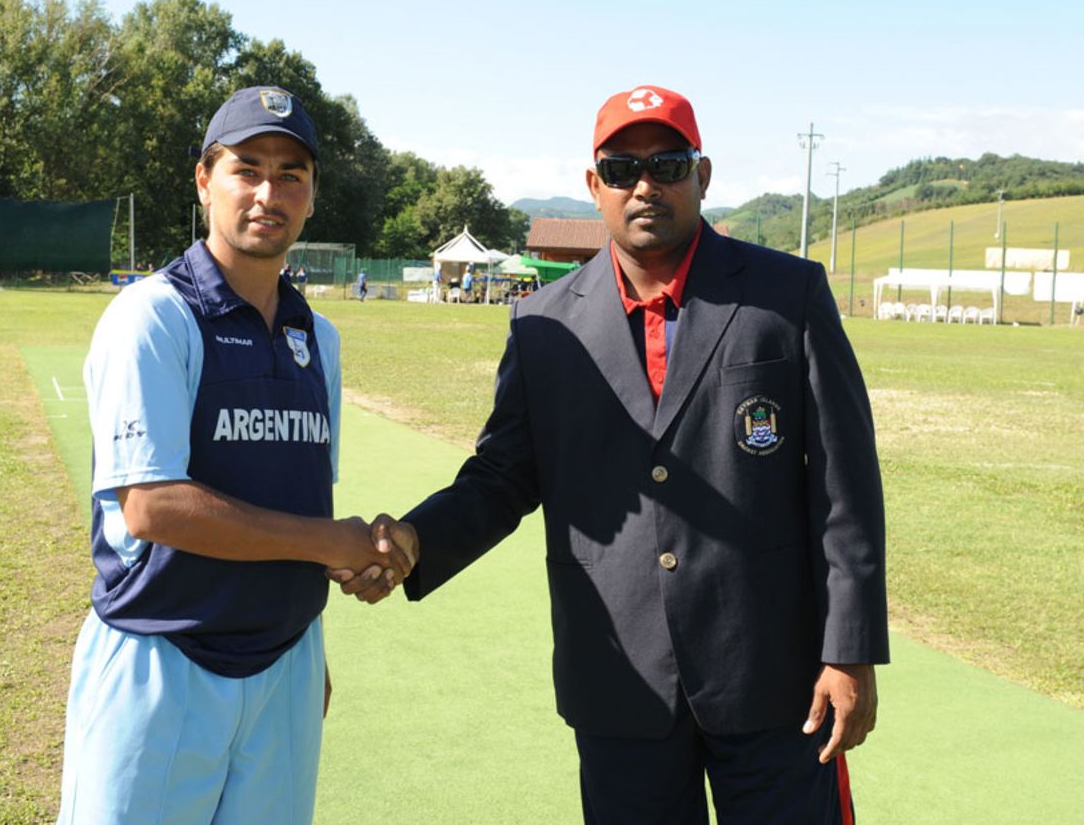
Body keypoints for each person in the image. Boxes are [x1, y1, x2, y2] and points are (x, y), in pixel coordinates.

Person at [338, 85, 888, 823]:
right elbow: (502, 477)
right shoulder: (541, 326)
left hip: (772, 676)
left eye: (666, 164)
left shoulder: (786, 295)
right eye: (621, 167)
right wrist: (413, 539)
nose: (644, 185)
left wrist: (848, 649)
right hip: (619, 680)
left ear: (703, 175)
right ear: (593, 185)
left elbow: (844, 486)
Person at [57, 85, 412, 824]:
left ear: (312, 196)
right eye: (246, 168)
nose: (267, 192)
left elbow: (298, 499)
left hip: (284, 662)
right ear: (203, 180)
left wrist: (316, 630)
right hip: (163, 655)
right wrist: (333, 541)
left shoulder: (320, 338)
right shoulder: (153, 316)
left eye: (291, 175)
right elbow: (152, 506)